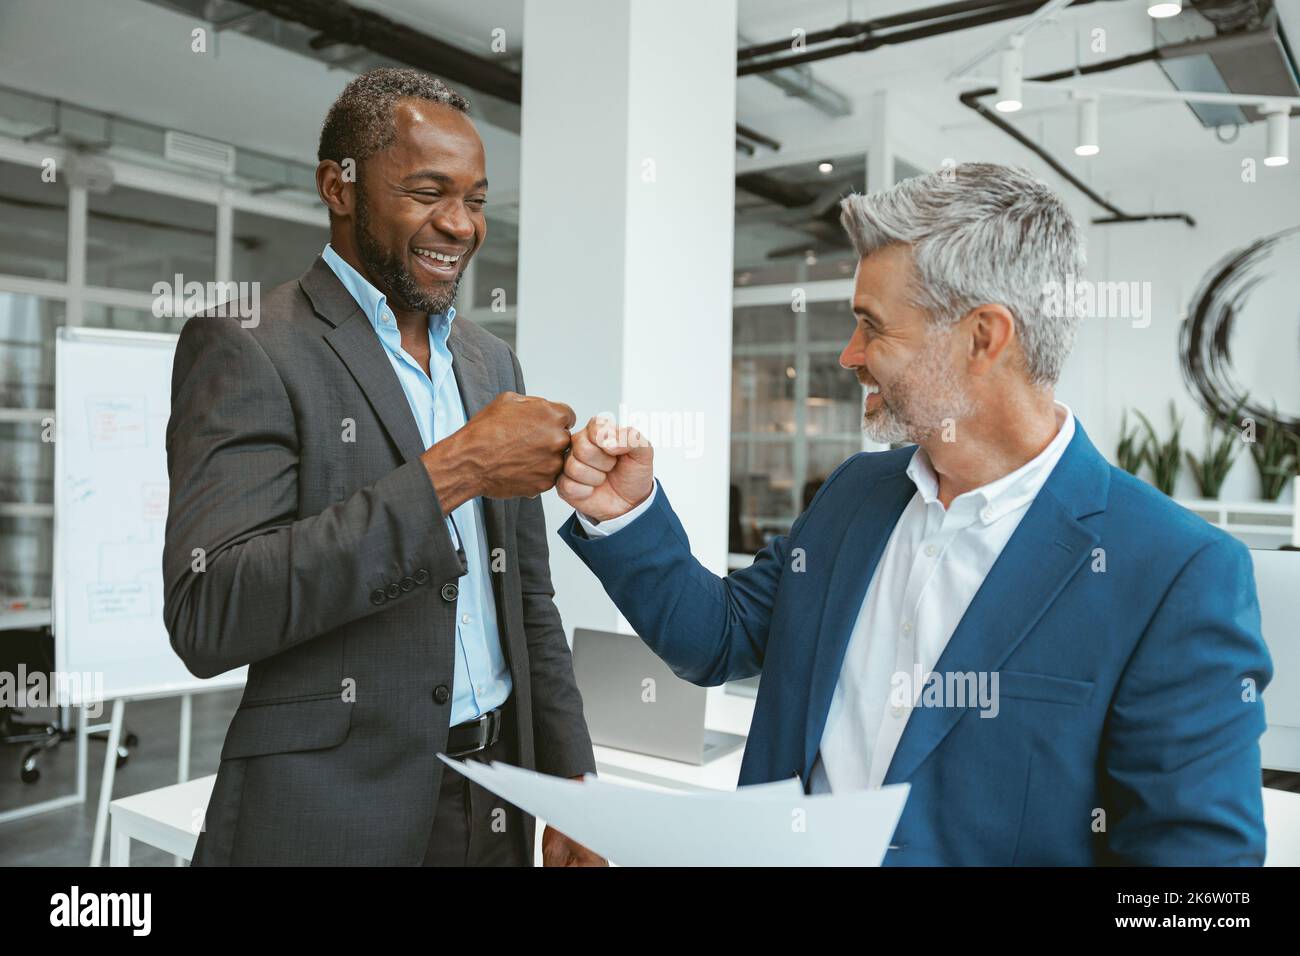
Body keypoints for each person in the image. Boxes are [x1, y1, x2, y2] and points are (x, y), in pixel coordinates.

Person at [555, 163, 1272, 865]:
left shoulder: (1175, 571)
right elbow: (720, 638)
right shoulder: (855, 494)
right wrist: (626, 515)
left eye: (873, 326)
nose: (849, 355)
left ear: (983, 338)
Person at [164, 68, 603, 866]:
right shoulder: (248, 343)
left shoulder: (490, 361)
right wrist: (455, 471)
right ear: (340, 186)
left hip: (495, 797)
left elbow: (524, 594)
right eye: (428, 192)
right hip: (331, 814)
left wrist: (571, 777)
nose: (460, 225)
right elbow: (209, 609)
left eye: (474, 200)